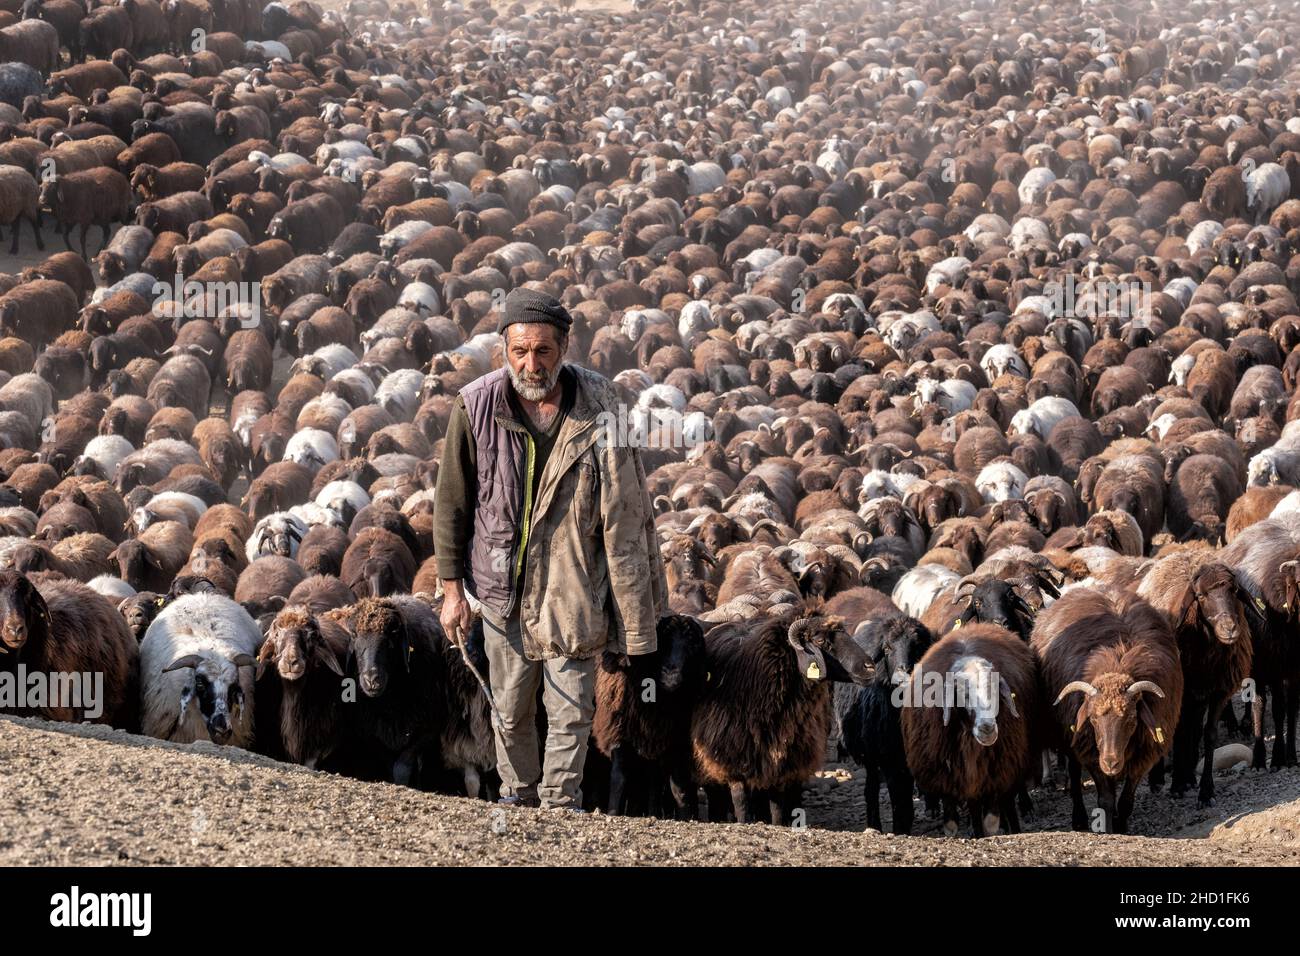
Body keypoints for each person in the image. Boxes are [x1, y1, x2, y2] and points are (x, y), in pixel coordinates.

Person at [434, 288, 667, 810]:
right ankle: (518, 795)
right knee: (511, 707)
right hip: (501, 589)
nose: (531, 363)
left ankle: (561, 807)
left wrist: (636, 620)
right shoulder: (474, 407)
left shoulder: (602, 406)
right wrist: (452, 592)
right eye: (520, 351)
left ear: (563, 348)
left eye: (542, 351)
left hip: (574, 586)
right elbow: (452, 503)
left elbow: (627, 518)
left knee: (571, 713)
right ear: (504, 350)